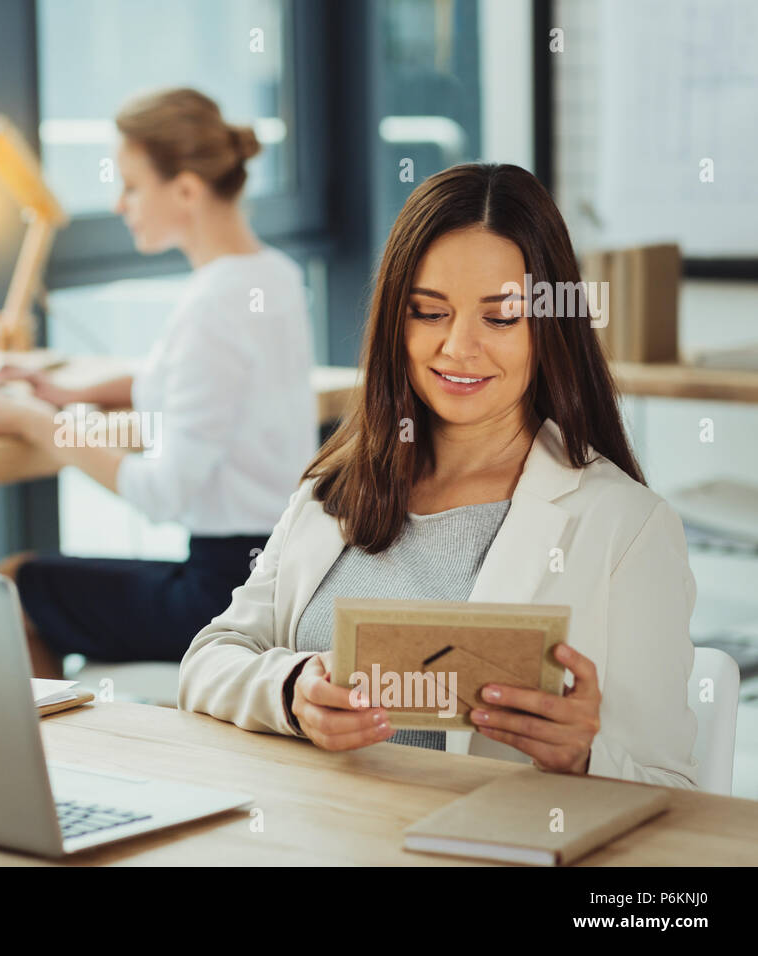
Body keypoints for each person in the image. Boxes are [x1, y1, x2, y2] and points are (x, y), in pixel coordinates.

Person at [177, 162, 700, 788]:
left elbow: (678, 793)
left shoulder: (627, 527)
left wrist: (582, 759)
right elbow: (208, 660)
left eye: (501, 318)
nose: (458, 347)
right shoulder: (336, 488)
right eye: (429, 313)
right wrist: (292, 690)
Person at [0, 88, 316, 679]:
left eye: (132, 186)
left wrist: (32, 421)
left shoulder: (212, 306)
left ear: (187, 190)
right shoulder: (275, 278)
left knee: (11, 586)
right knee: (34, 583)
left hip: (223, 598)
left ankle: (59, 762)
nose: (119, 204)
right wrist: (64, 394)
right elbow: (189, 384)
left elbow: (161, 493)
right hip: (282, 577)